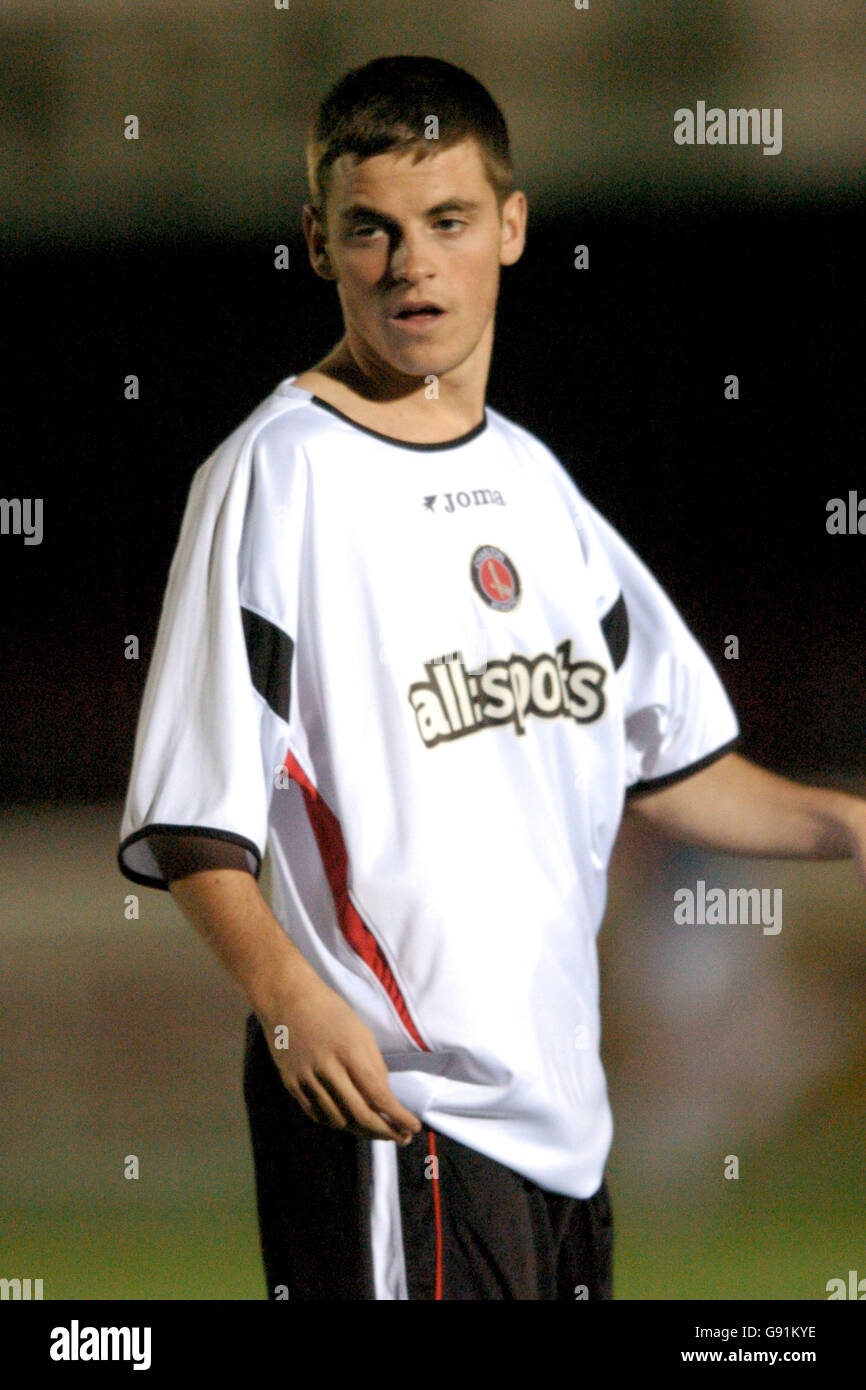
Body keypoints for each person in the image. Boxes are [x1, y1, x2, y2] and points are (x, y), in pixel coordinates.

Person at [117, 55, 866, 1301]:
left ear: (510, 229)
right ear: (318, 243)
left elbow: (666, 758)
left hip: (560, 1132)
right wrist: (287, 998)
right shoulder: (277, 476)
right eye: (371, 229)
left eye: (448, 222)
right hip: (393, 1115)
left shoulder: (534, 486)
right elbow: (194, 815)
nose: (412, 263)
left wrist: (844, 822)